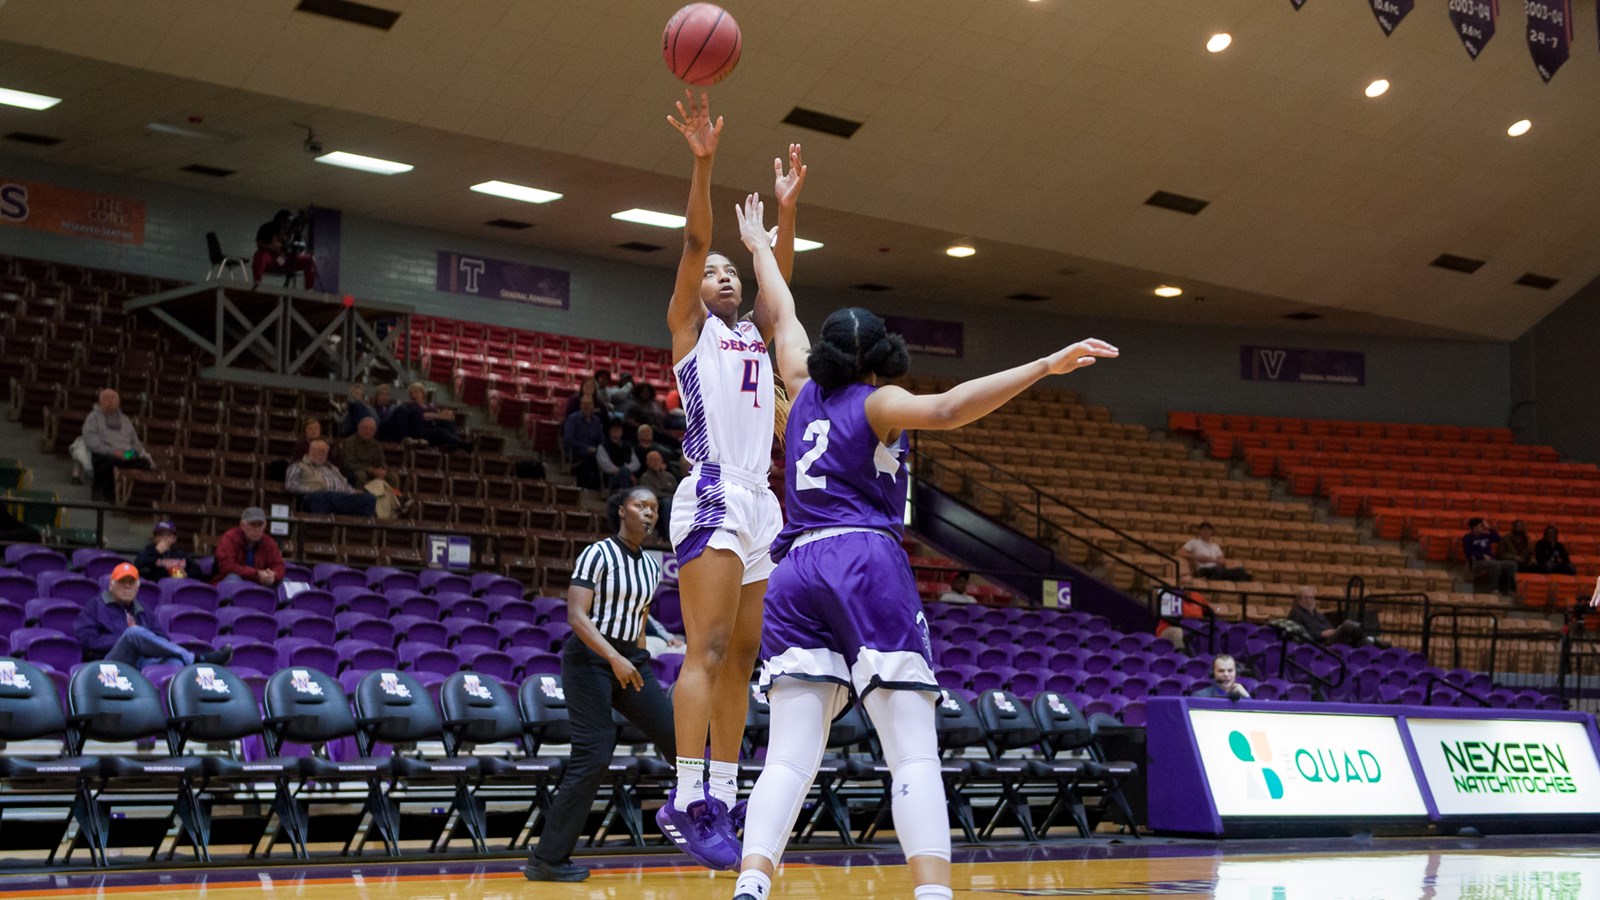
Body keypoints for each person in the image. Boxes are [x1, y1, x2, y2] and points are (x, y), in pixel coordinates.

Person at [728, 189, 1119, 900]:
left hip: (796, 568)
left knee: (789, 754)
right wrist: (1042, 366)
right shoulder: (876, 403)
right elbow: (946, 407)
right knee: (909, 746)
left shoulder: (800, 384)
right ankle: (933, 892)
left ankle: (752, 882)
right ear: (878, 357)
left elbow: (781, 311)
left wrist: (762, 243)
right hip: (861, 560)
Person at [655, 92, 811, 869]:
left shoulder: (755, 333)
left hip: (762, 501)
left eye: (728, 272)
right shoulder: (692, 336)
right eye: (711, 272)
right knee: (707, 647)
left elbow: (777, 283)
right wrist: (704, 161)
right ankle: (684, 796)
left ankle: (721, 787)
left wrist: (787, 213)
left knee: (745, 661)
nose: (720, 275)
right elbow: (692, 240)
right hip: (713, 487)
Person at [524, 487, 675, 883]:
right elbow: (576, 615)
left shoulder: (650, 565)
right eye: (641, 505)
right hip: (590, 660)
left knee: (680, 737)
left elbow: (639, 619)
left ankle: (696, 821)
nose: (649, 513)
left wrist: (638, 658)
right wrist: (614, 657)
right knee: (594, 752)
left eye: (654, 508)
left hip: (632, 660)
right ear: (621, 510)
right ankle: (547, 858)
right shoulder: (597, 553)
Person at [75, 563, 232, 667]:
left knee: (174, 662)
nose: (127, 586)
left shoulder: (143, 608)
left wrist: (143, 643)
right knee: (133, 632)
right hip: (109, 663)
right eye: (122, 581)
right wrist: (128, 640)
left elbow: (162, 639)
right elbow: (89, 641)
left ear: (138, 587)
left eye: (132, 582)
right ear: (111, 585)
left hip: (144, 661)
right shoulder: (95, 605)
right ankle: (198, 659)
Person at [81, 389, 153, 503]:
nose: (110, 401)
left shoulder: (125, 420)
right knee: (109, 461)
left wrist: (130, 454)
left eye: (113, 398)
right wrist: (114, 452)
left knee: (145, 463)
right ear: (100, 401)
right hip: (104, 454)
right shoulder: (93, 418)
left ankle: (134, 499)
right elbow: (91, 441)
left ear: (118, 402)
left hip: (126, 454)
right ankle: (104, 496)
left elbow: (136, 443)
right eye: (106, 398)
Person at [286, 439, 378, 517]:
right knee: (321, 496)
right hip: (318, 496)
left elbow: (345, 483)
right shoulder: (299, 465)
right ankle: (320, 531)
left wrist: (353, 491)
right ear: (310, 450)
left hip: (341, 497)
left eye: (324, 452)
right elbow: (290, 485)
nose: (322, 454)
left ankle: (360, 534)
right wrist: (312, 490)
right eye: (319, 450)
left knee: (369, 499)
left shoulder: (333, 468)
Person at [340, 416, 405, 519]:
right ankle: (361, 505)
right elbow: (349, 464)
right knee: (360, 475)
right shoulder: (350, 442)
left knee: (393, 477)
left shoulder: (376, 445)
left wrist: (382, 471)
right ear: (359, 429)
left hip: (374, 473)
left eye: (371, 429)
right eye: (365, 428)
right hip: (354, 473)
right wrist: (371, 470)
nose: (368, 432)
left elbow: (382, 463)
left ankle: (394, 504)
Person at [213, 507, 286, 586]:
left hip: (260, 581)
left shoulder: (268, 542)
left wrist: (273, 575)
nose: (257, 529)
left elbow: (278, 565)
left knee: (285, 582)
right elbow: (227, 566)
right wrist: (256, 574)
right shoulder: (229, 538)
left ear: (265, 526)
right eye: (253, 525)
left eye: (260, 525)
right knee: (233, 578)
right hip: (234, 579)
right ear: (242, 525)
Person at [252, 209, 318, 289]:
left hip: (286, 259)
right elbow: (260, 244)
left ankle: (309, 290)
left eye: (289, 222)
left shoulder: (291, 231)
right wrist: (276, 248)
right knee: (260, 255)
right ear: (279, 221)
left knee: (309, 259)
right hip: (270, 259)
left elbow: (296, 248)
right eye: (286, 222)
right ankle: (257, 283)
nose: (288, 224)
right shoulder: (266, 228)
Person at [397, 382, 467, 452]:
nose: (414, 395)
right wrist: (441, 416)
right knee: (441, 432)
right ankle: (460, 443)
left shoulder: (429, 406)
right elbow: (424, 416)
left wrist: (446, 415)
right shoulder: (412, 406)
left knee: (448, 422)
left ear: (422, 393)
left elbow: (436, 416)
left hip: (431, 428)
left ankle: (454, 444)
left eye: (416, 392)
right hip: (419, 432)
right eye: (411, 393)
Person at [1288, 586, 1366, 647]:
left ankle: (1366, 642)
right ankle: (1364, 641)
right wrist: (1321, 634)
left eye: (1311, 597)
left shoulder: (1318, 614)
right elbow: (1299, 635)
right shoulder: (1296, 614)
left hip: (1329, 638)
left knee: (1351, 627)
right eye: (1306, 598)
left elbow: (1329, 626)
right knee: (1347, 626)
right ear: (1298, 599)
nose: (1309, 600)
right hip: (1319, 643)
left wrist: (1333, 631)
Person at [133, 520, 205, 582]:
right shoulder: (148, 551)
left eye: (168, 535)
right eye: (160, 535)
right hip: (155, 587)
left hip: (176, 587)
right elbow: (137, 566)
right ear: (154, 538)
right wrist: (156, 552)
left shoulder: (180, 554)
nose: (164, 538)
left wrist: (187, 574)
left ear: (174, 539)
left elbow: (197, 571)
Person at [1179, 522, 1250, 582]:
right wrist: (1196, 556)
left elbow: (1223, 562)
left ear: (1211, 531)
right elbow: (1180, 552)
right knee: (1217, 570)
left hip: (1217, 569)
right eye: (1203, 529)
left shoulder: (1215, 546)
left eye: (1208, 529)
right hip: (1203, 570)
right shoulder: (1194, 542)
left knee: (1241, 571)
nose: (1206, 531)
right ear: (1200, 531)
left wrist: (1211, 560)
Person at [1462, 517, 1516, 595]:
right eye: (1481, 526)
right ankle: (1494, 589)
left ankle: (1510, 589)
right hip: (1477, 562)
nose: (1483, 528)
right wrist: (1482, 556)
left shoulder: (1485, 536)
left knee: (1512, 564)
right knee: (1495, 564)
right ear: (1474, 528)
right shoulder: (1468, 538)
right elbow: (1468, 552)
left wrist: (1490, 528)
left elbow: (1498, 539)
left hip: (1490, 560)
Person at [562, 396, 606, 490]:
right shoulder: (573, 419)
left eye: (589, 404)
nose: (587, 406)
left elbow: (601, 439)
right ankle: (584, 485)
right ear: (580, 405)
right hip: (576, 451)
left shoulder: (597, 421)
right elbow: (568, 439)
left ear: (593, 406)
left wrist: (601, 448)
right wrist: (586, 447)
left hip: (594, 451)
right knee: (592, 456)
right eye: (584, 404)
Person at [1155, 574, 1208, 649]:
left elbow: (1209, 612)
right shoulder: (1170, 596)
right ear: (1178, 584)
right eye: (1183, 583)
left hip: (1193, 630)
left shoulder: (1198, 597)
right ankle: (1180, 655)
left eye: (1189, 583)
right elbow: (1172, 621)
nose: (1186, 586)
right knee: (1178, 631)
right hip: (1168, 630)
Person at [639, 450, 679, 537]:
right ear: (647, 463)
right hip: (657, 504)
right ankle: (669, 534)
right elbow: (653, 494)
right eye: (652, 460)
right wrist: (671, 496)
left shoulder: (669, 476)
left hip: (673, 500)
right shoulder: (645, 477)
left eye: (658, 460)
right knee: (668, 502)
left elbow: (678, 491)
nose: (656, 462)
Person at [597, 419, 640, 491]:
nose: (616, 431)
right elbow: (605, 465)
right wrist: (622, 471)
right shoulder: (603, 446)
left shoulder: (627, 446)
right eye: (614, 428)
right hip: (612, 478)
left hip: (628, 475)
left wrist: (626, 471)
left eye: (619, 429)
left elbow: (636, 463)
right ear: (609, 430)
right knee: (624, 472)